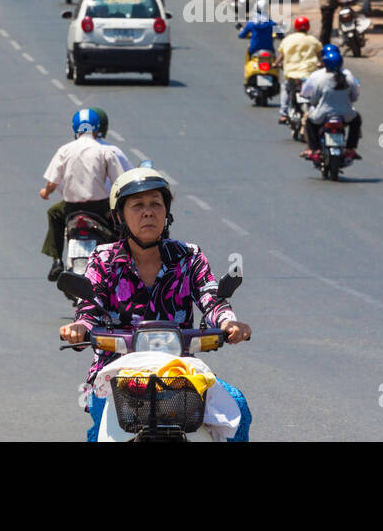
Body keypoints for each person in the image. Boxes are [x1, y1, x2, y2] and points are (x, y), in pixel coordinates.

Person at [58, 166, 252, 441]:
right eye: (137, 205)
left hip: (180, 375)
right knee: (101, 432)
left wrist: (228, 323)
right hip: (116, 378)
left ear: (166, 213)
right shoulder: (104, 259)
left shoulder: (189, 256)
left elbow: (212, 299)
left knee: (238, 407)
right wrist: (79, 327)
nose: (148, 212)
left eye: (155, 204)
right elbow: (90, 308)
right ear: (119, 215)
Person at [38, 109, 131, 281]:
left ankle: (57, 261)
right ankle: (124, 260)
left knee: (53, 213)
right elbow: (119, 181)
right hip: (100, 207)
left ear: (75, 129)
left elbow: (52, 182)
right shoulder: (104, 151)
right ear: (97, 129)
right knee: (122, 223)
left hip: (71, 207)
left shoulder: (65, 150)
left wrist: (46, 192)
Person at [300, 45, 362, 161]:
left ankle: (315, 149)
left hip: (323, 114)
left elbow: (313, 99)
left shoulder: (320, 78)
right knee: (356, 120)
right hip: (345, 115)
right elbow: (354, 97)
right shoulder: (348, 76)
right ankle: (350, 149)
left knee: (309, 122)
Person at [273, 15, 321, 125]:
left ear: (295, 27)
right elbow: (320, 56)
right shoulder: (313, 40)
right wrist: (322, 65)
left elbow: (282, 55)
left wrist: (276, 63)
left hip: (291, 74)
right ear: (307, 27)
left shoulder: (288, 39)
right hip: (309, 74)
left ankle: (284, 114)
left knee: (285, 89)